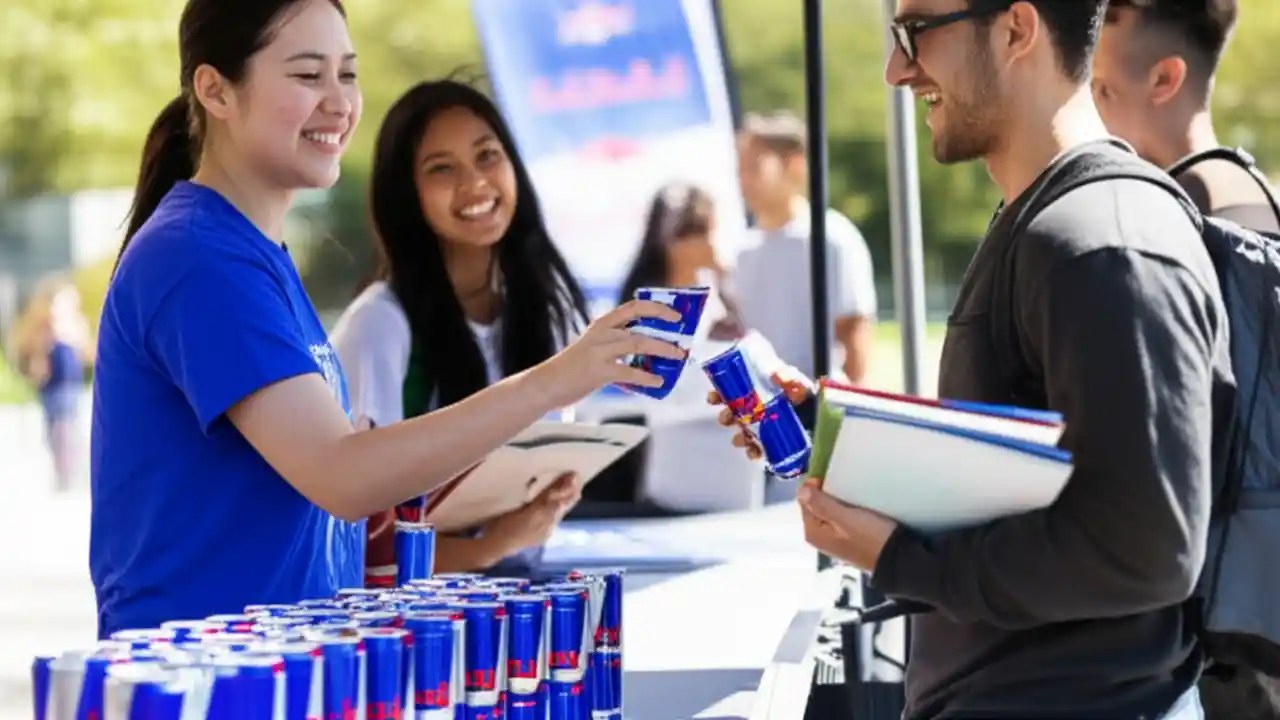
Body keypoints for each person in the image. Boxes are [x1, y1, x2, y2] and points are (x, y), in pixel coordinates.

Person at [89, 0, 683, 638]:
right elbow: (343, 475)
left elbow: (333, 484)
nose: (339, 102)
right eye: (307, 74)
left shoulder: (250, 253)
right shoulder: (200, 257)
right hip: (204, 683)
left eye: (347, 74)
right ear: (216, 91)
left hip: (282, 670)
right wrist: (555, 380)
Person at [716, 1, 1235, 717]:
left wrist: (901, 559)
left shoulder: (1101, 243)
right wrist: (830, 429)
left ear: (1017, 28)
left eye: (915, 33)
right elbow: (1018, 481)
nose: (898, 69)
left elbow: (1143, 553)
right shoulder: (1050, 221)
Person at [329, 80, 587, 579]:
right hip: (411, 631)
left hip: (516, 602)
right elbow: (360, 543)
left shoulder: (540, 308)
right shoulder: (381, 325)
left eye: (487, 156)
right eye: (442, 168)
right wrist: (494, 544)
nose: (475, 184)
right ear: (408, 194)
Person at [1093, 0, 1279, 234]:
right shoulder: (1245, 195)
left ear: (1164, 79)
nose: (1088, 110)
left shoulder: (1192, 204)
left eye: (1102, 89)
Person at [731, 110, 877, 383]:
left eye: (754, 167)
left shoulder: (831, 237)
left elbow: (854, 334)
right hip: (763, 412)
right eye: (740, 169)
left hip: (821, 408)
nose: (744, 180)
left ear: (794, 165)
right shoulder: (742, 251)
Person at [8, 275, 94, 491]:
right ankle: (62, 470)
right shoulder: (43, 327)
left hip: (69, 386)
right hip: (50, 387)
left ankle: (69, 473)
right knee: (53, 429)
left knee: (67, 428)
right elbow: (31, 354)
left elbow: (88, 353)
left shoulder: (75, 325)